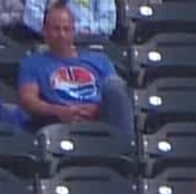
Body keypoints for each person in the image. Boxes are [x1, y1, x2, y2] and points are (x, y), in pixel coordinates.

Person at [14, 1, 134, 135]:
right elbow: (29, 99)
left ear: (73, 32)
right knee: (46, 136)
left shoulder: (100, 60)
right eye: (56, 29)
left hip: (100, 119)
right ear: (45, 32)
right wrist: (60, 111)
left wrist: (97, 109)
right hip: (58, 123)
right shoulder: (32, 63)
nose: (62, 34)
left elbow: (115, 94)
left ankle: (129, 148)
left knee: (115, 84)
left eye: (66, 29)